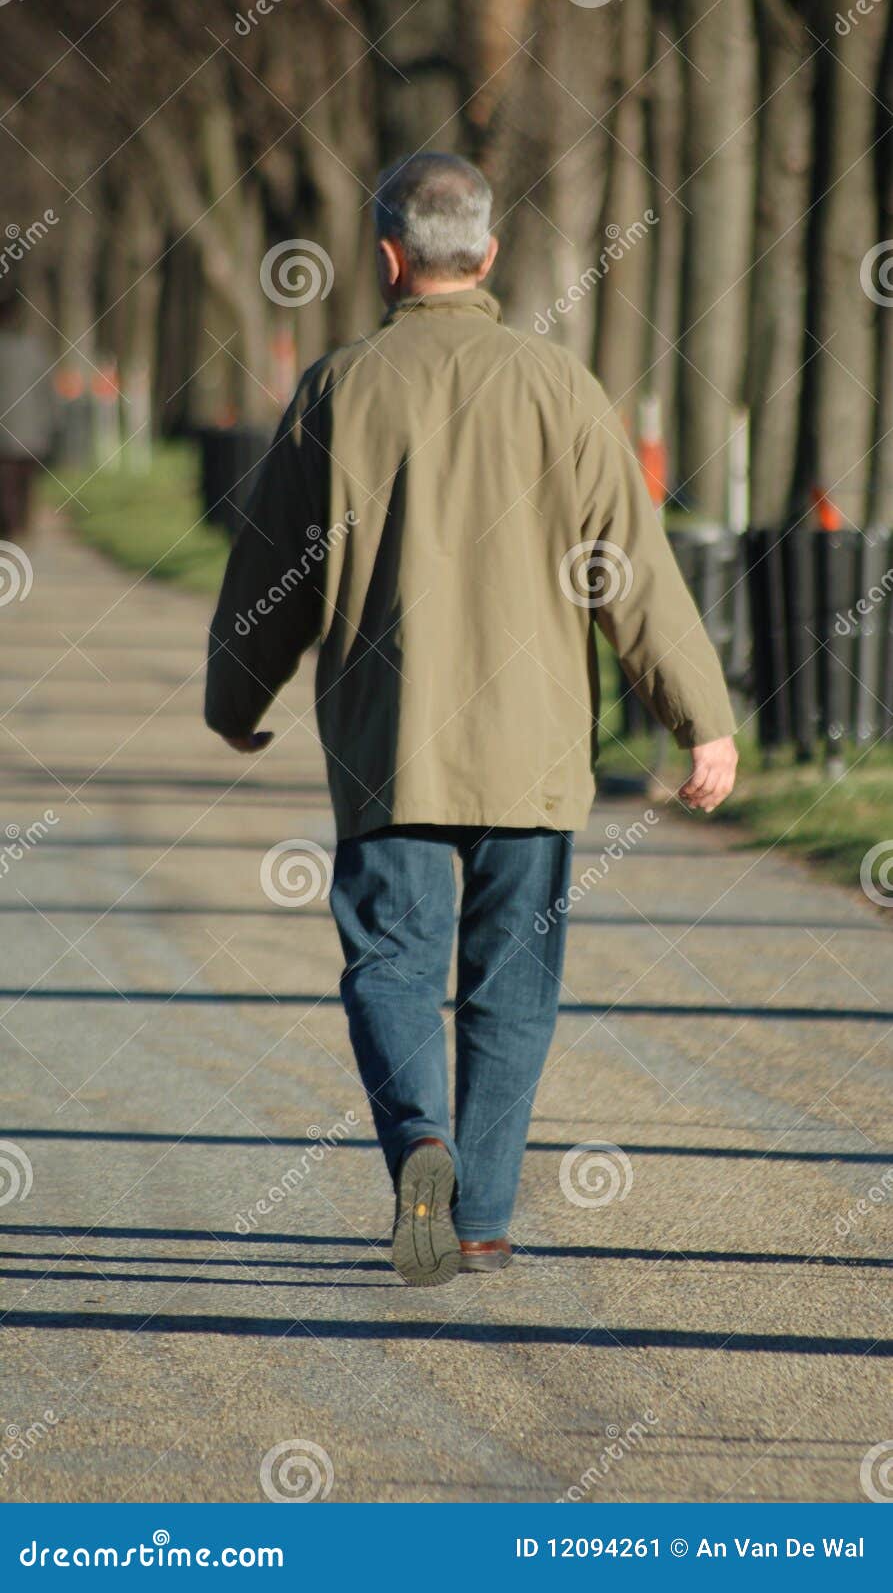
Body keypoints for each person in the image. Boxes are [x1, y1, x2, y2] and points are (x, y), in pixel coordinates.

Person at [204, 153, 738, 1287]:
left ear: (388, 257)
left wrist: (235, 692)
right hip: (530, 753)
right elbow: (627, 573)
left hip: (388, 744)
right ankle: (483, 1215)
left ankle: (420, 1146)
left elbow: (273, 568)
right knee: (511, 978)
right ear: (487, 255)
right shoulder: (559, 386)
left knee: (391, 961)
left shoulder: (338, 389)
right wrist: (701, 719)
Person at [0, 292, 55, 542]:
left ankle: (11, 525)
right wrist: (50, 423)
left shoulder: (30, 349)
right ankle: (21, 524)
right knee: (23, 482)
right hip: (29, 430)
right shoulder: (34, 350)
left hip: (9, 430)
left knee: (8, 481)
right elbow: (45, 391)